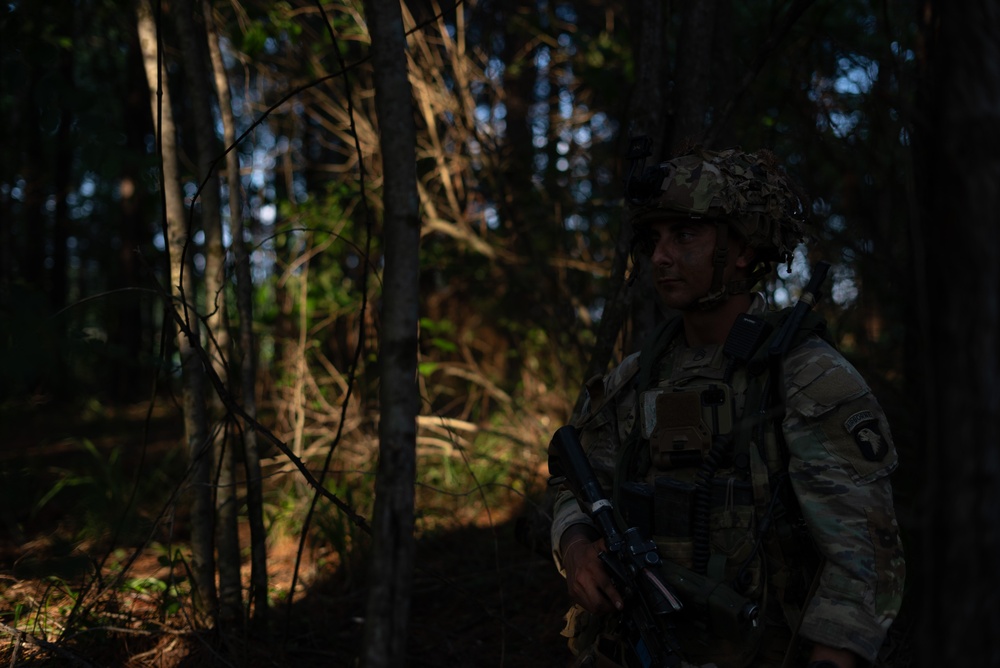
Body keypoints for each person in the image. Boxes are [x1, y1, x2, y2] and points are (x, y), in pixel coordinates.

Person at [549, 146, 905, 668]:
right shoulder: (633, 380)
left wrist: (833, 655)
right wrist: (576, 546)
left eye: (685, 234)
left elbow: (865, 556)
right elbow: (571, 481)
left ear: (741, 249)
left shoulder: (806, 379)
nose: (661, 256)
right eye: (654, 240)